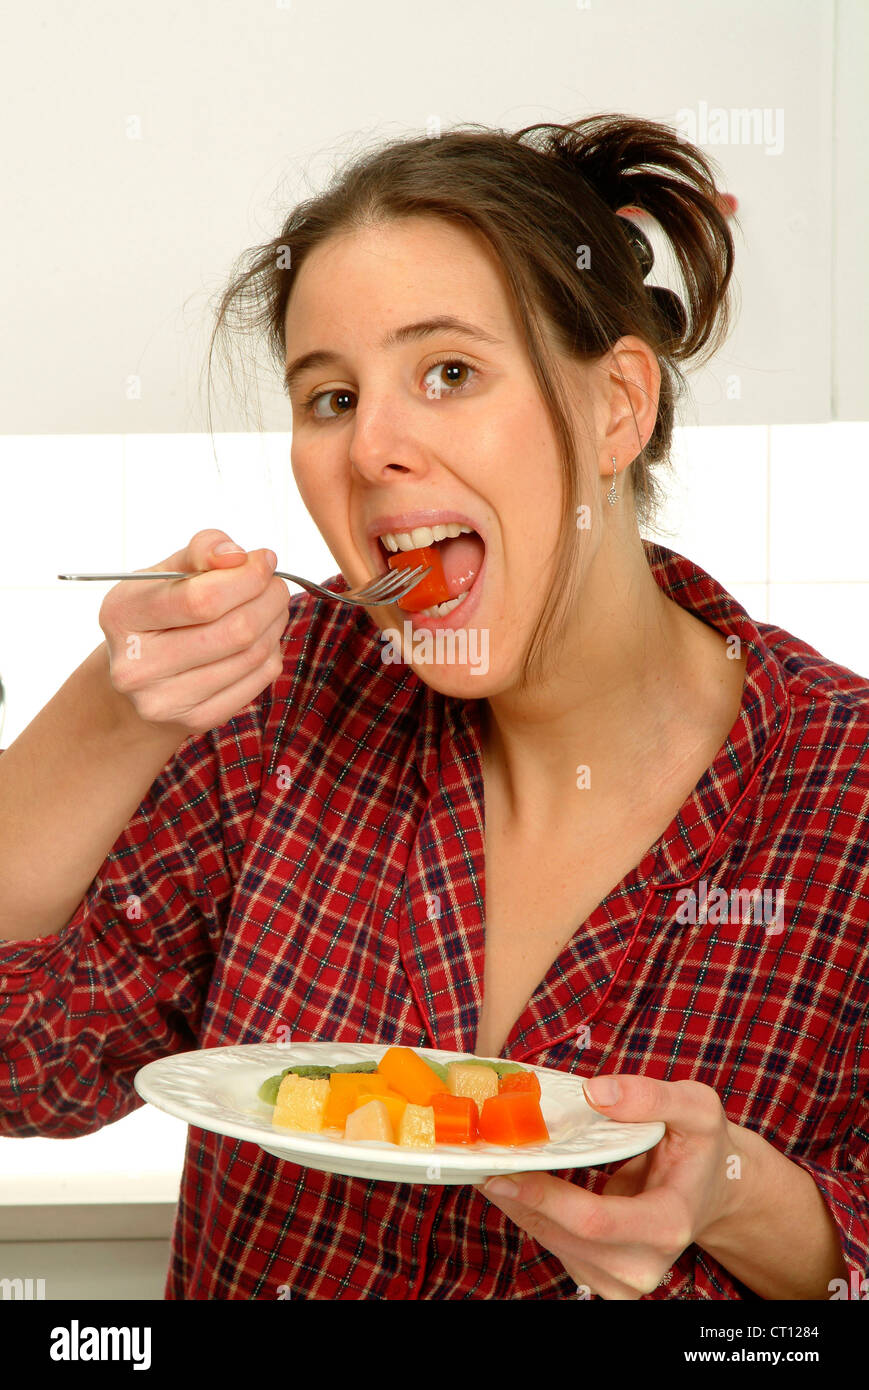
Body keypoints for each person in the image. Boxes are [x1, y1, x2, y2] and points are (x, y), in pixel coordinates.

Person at [1, 113, 866, 1301]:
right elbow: (21, 1061)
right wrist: (113, 717)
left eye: (448, 373)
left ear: (617, 406)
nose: (373, 450)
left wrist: (731, 1196)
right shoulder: (282, 713)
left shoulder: (845, 795)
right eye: (328, 397)